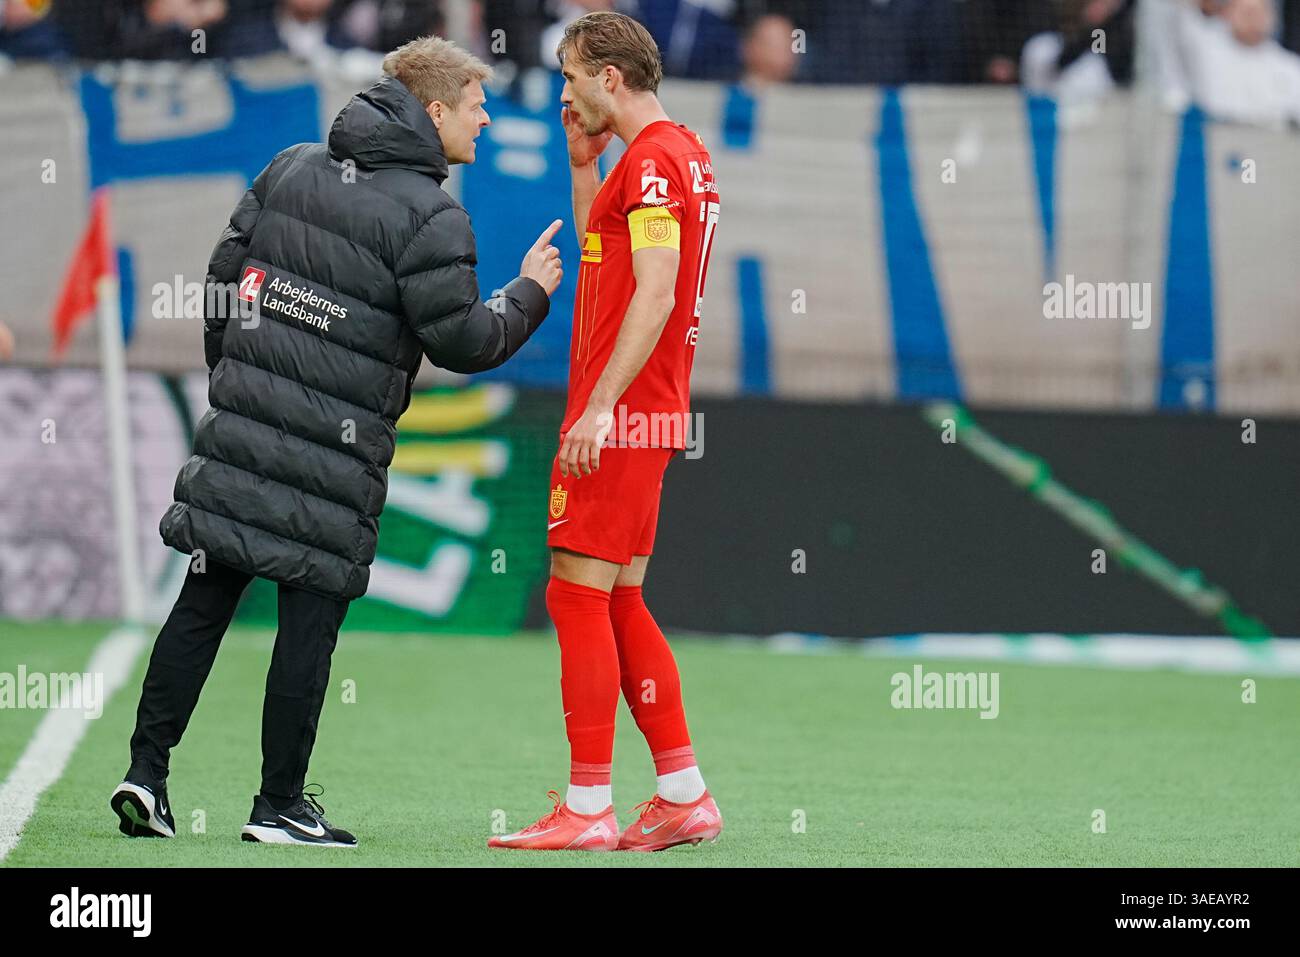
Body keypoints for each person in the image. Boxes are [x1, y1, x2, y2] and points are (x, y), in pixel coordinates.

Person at [111, 34, 563, 848]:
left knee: (202, 601)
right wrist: (528, 293)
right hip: (332, 463)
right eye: (474, 104)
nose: (486, 119)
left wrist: (241, 384)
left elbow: (222, 282)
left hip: (244, 434)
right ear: (432, 111)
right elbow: (464, 341)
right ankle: (277, 805)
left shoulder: (290, 166)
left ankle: (146, 773)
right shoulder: (433, 214)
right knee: (306, 627)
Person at [488, 11, 721, 852]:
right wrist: (584, 169)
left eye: (569, 76)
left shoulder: (655, 163)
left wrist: (599, 407)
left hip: (622, 411)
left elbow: (654, 293)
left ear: (609, 79)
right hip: (651, 409)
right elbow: (609, 255)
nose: (564, 92)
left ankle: (589, 806)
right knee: (620, 597)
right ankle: (682, 791)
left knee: (575, 592)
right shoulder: (674, 154)